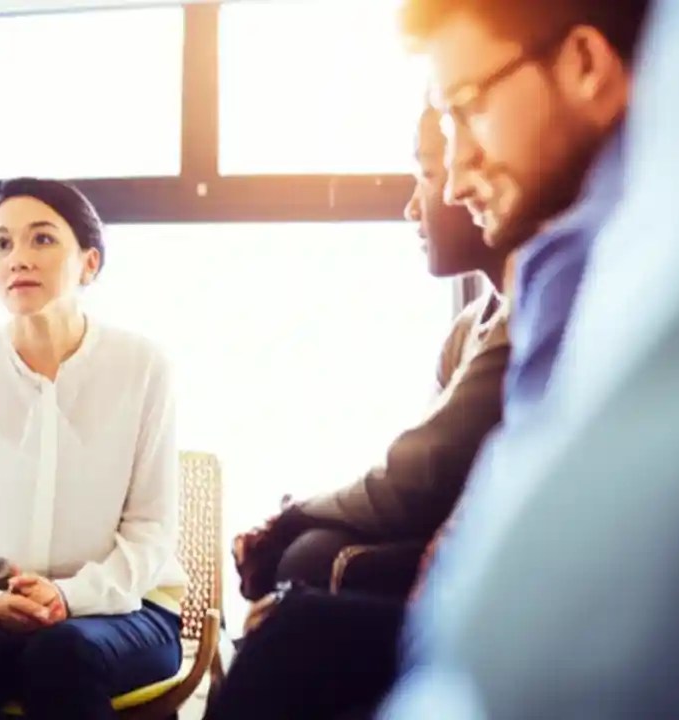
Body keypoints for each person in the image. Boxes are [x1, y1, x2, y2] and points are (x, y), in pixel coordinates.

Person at [205, 103, 511, 720]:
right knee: (304, 568)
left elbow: (412, 481)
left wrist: (293, 518)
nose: (423, 200)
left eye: (425, 173)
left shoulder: (529, 324)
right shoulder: (466, 331)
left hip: (494, 595)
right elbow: (415, 479)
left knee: (299, 593)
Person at [390, 0, 650, 690]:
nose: (455, 169)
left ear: (586, 65)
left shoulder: (587, 263)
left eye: (469, 107)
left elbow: (500, 637)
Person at [0, 177, 186, 720]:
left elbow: (151, 531)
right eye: (1, 244)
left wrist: (69, 597)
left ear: (89, 262)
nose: (18, 258)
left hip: (121, 609)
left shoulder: (144, 366)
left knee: (62, 653)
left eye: (41, 240)